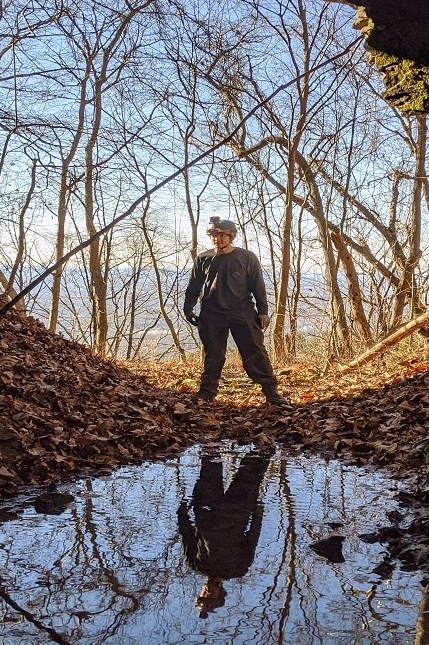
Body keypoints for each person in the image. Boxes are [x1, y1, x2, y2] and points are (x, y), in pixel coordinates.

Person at [182, 216, 288, 406]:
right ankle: (207, 393)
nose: (218, 238)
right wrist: (188, 307)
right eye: (214, 234)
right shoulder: (203, 259)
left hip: (243, 311)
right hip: (212, 313)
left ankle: (271, 392)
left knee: (255, 352)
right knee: (213, 354)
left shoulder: (246, 257)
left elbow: (258, 285)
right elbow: (194, 286)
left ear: (231, 236)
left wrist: (263, 310)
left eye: (223, 235)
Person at [177, 447, 271, 618]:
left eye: (202, 595)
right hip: (237, 512)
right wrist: (257, 514)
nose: (206, 592)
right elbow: (252, 538)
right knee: (254, 465)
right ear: (220, 594)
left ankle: (211, 429)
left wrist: (182, 513)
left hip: (206, 508)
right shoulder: (238, 569)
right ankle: (265, 438)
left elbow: (187, 535)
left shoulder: (196, 565)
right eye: (209, 596)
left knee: (210, 461)